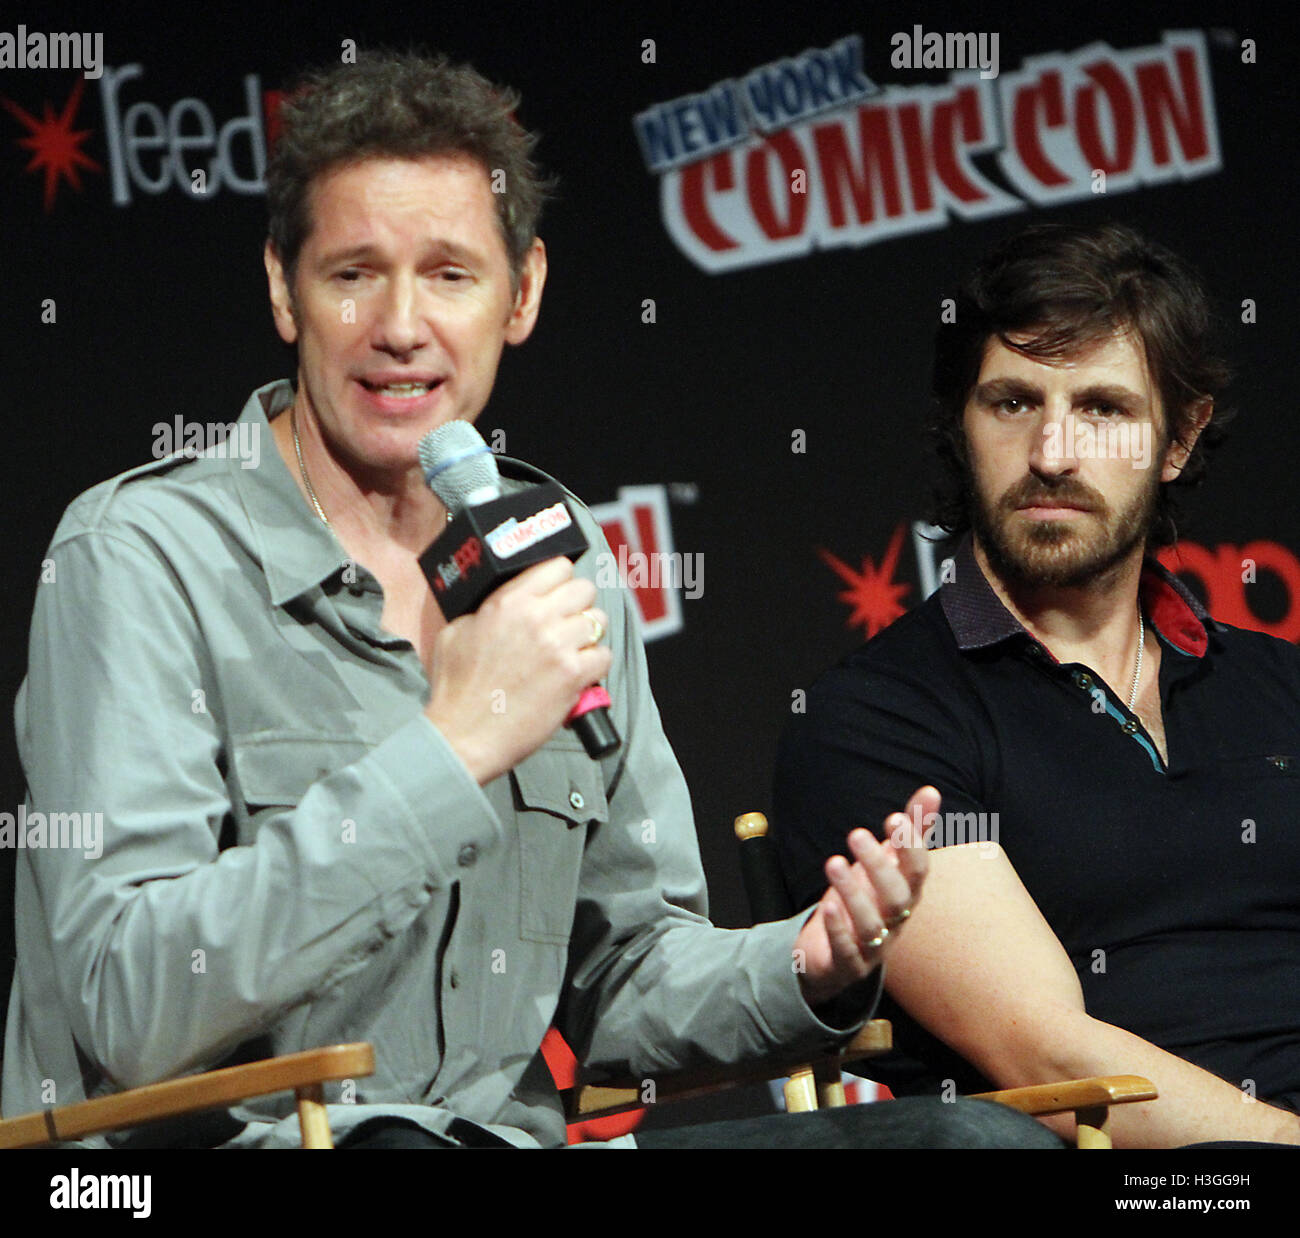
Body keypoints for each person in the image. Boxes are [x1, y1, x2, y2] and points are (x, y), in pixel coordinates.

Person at [2, 51, 1054, 1151]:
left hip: (493, 1147)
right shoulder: (140, 556)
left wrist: (807, 961)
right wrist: (448, 751)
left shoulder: (560, 554)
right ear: (282, 287)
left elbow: (627, 971)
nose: (400, 325)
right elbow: (130, 1003)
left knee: (970, 1146)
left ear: (523, 291)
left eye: (450, 273)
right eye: (353, 271)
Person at [775, 221, 1300, 1148]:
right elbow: (1052, 1060)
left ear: (1178, 441)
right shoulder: (876, 720)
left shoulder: (1278, 685)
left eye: (1103, 408)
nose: (1054, 452)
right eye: (1013, 403)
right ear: (960, 427)